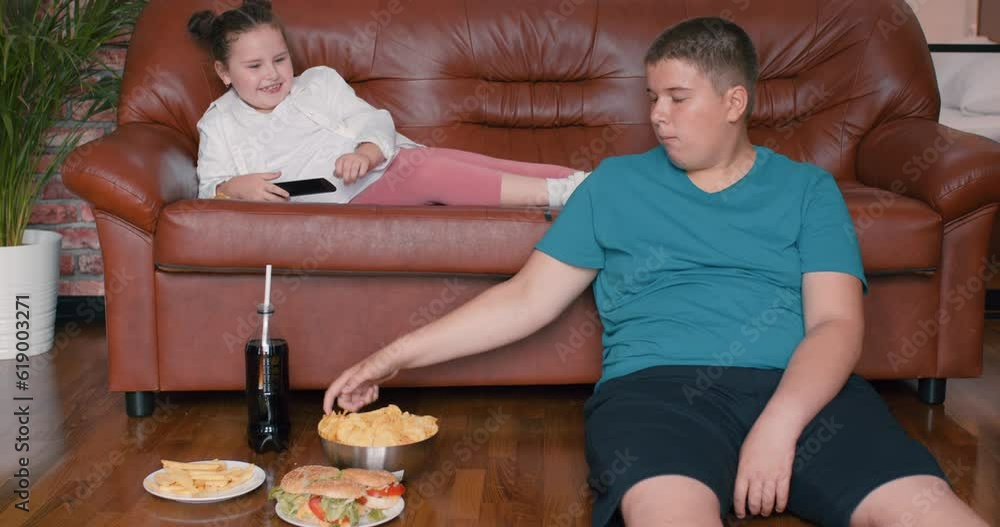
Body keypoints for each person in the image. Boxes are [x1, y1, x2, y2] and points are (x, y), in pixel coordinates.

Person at [322, 15, 991, 527]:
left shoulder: (809, 191)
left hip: (805, 393)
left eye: (676, 98)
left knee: (930, 508)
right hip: (657, 395)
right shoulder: (612, 185)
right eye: (651, 98)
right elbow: (526, 299)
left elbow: (839, 324)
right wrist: (392, 357)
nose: (656, 116)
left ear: (735, 102)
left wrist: (779, 424)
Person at [187, 0, 587, 208]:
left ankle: (586, 183)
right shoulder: (219, 123)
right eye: (254, 66)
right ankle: (552, 194)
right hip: (341, 195)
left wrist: (368, 149)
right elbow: (208, 188)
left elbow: (370, 117)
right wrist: (232, 188)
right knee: (429, 170)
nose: (272, 75)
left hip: (386, 164)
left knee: (469, 164)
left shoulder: (317, 82)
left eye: (280, 59)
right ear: (224, 72)